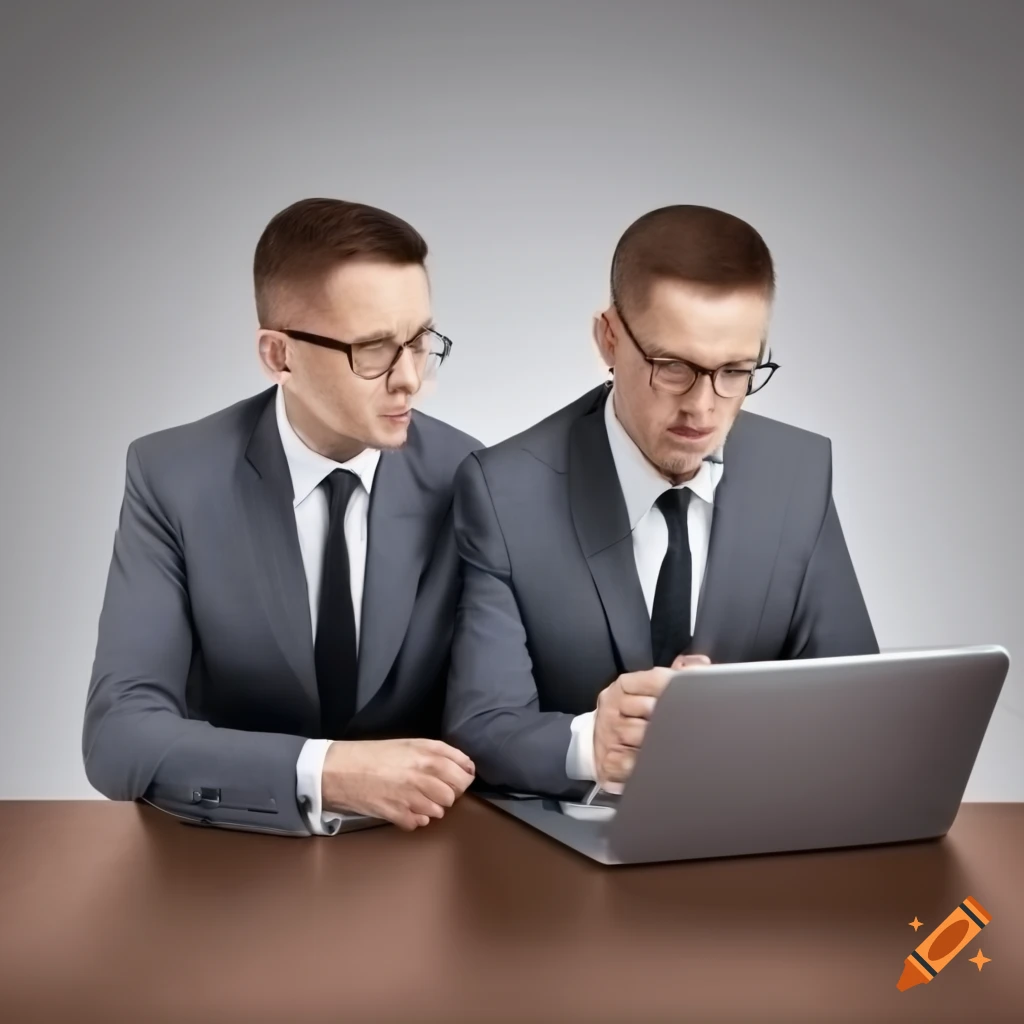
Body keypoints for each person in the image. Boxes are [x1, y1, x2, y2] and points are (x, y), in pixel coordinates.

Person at [445, 204, 878, 799]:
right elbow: (480, 726)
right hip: (566, 863)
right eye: (672, 367)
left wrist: (741, 722)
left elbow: (857, 706)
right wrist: (590, 743)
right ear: (610, 338)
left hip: (752, 840)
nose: (703, 407)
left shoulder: (799, 473)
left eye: (736, 371)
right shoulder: (501, 491)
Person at [84, 198, 480, 835]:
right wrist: (324, 771)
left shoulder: (474, 479)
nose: (410, 379)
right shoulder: (173, 477)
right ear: (279, 355)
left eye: (420, 341)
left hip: (423, 860)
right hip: (226, 864)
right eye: (375, 350)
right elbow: (118, 735)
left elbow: (505, 711)